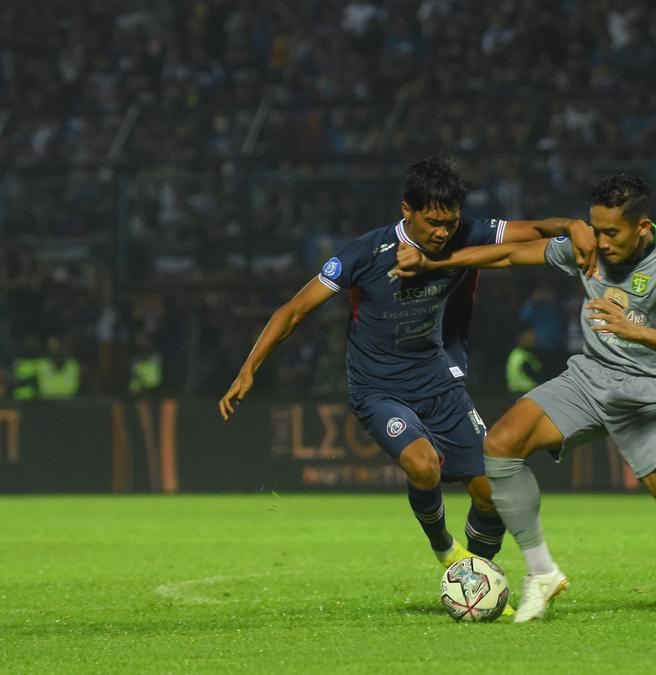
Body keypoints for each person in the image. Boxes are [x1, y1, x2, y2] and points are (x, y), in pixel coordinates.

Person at [391, 173, 656, 622]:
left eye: (611, 232)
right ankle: (542, 572)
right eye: (595, 228)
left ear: (642, 226)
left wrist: (635, 330)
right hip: (588, 381)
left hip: (650, 401)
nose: (600, 241)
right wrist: (434, 265)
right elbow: (512, 254)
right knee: (499, 445)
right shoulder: (590, 247)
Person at [218, 155, 596, 586]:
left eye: (449, 222)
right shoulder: (365, 253)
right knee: (423, 465)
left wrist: (572, 225)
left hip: (437, 378)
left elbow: (534, 230)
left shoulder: (465, 233)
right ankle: (444, 548)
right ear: (407, 211)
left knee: (492, 494)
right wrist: (250, 368)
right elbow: (294, 310)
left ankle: (474, 576)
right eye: (432, 222)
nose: (442, 232)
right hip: (378, 389)